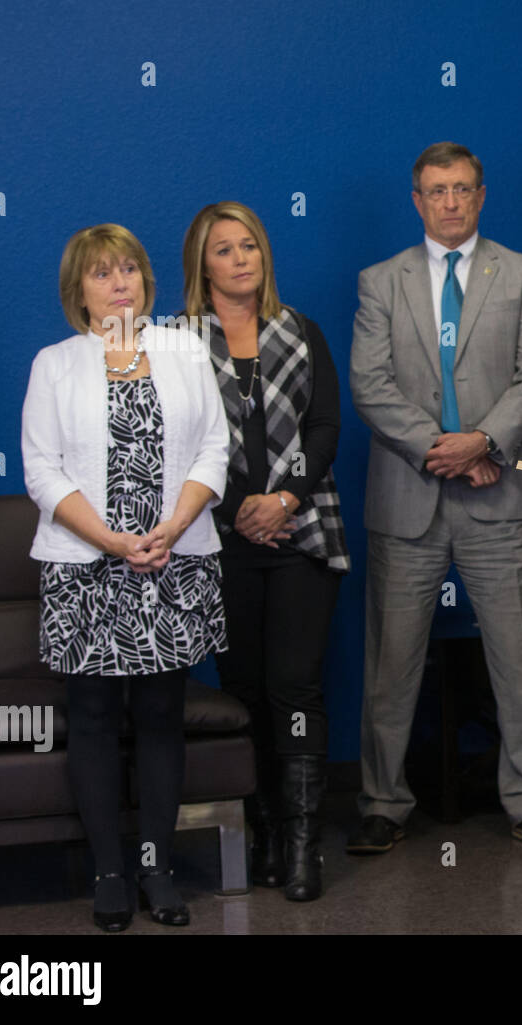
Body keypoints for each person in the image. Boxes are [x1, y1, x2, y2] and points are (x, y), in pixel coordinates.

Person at [348, 142, 522, 853]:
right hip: (409, 497)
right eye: (435, 190)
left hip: (500, 496)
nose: (450, 202)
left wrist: (485, 442)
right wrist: (444, 449)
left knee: (520, 660)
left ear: (482, 194)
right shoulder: (381, 281)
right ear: (416, 199)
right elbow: (369, 384)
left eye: (462, 189)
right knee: (391, 663)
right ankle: (382, 800)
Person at [22, 224, 229, 931]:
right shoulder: (55, 364)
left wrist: (170, 527)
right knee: (94, 718)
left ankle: (157, 866)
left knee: (161, 716)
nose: (121, 282)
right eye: (103, 273)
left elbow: (214, 446)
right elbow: (42, 470)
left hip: (174, 558)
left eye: (131, 270)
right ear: (77, 290)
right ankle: (108, 870)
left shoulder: (184, 349)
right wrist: (111, 539)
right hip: (86, 568)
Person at [182, 201, 350, 902]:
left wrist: (282, 501)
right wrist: (240, 509)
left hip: (301, 534)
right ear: (203, 263)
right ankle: (263, 836)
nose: (241, 258)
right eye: (224, 249)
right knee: (244, 688)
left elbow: (325, 423)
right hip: (219, 539)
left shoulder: (300, 329)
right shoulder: (179, 343)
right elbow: (179, 443)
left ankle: (303, 844)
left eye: (249, 245)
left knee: (295, 685)